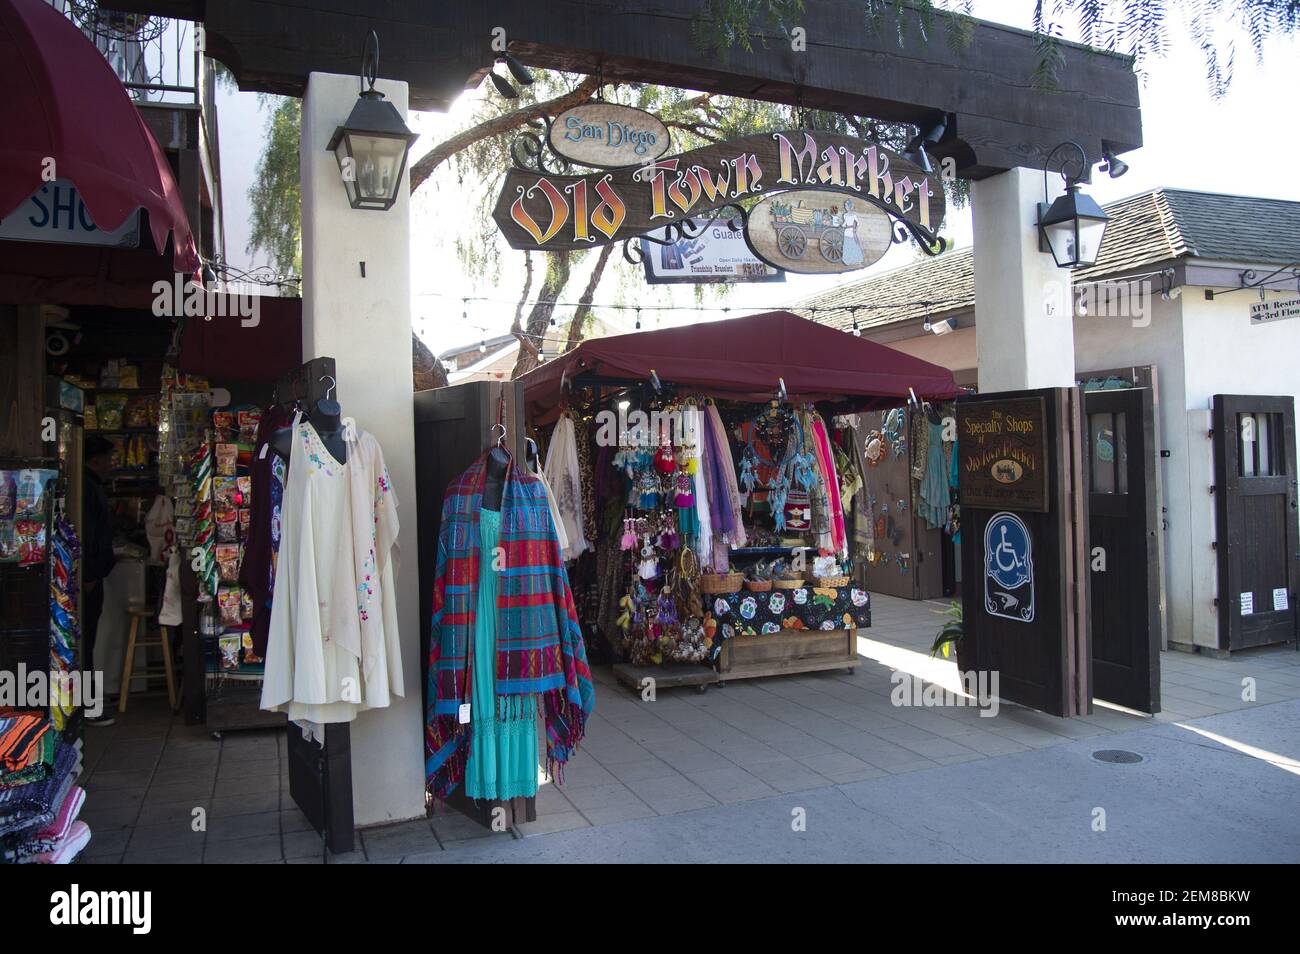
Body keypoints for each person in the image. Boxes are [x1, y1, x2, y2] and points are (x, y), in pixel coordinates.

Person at [82, 436, 117, 726]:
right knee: (85, 642)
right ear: (96, 460)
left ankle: (89, 704)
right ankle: (88, 707)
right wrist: (90, 575)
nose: (112, 465)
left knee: (87, 641)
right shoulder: (87, 488)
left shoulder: (91, 486)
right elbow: (89, 536)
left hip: (92, 575)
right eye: (109, 458)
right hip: (89, 578)